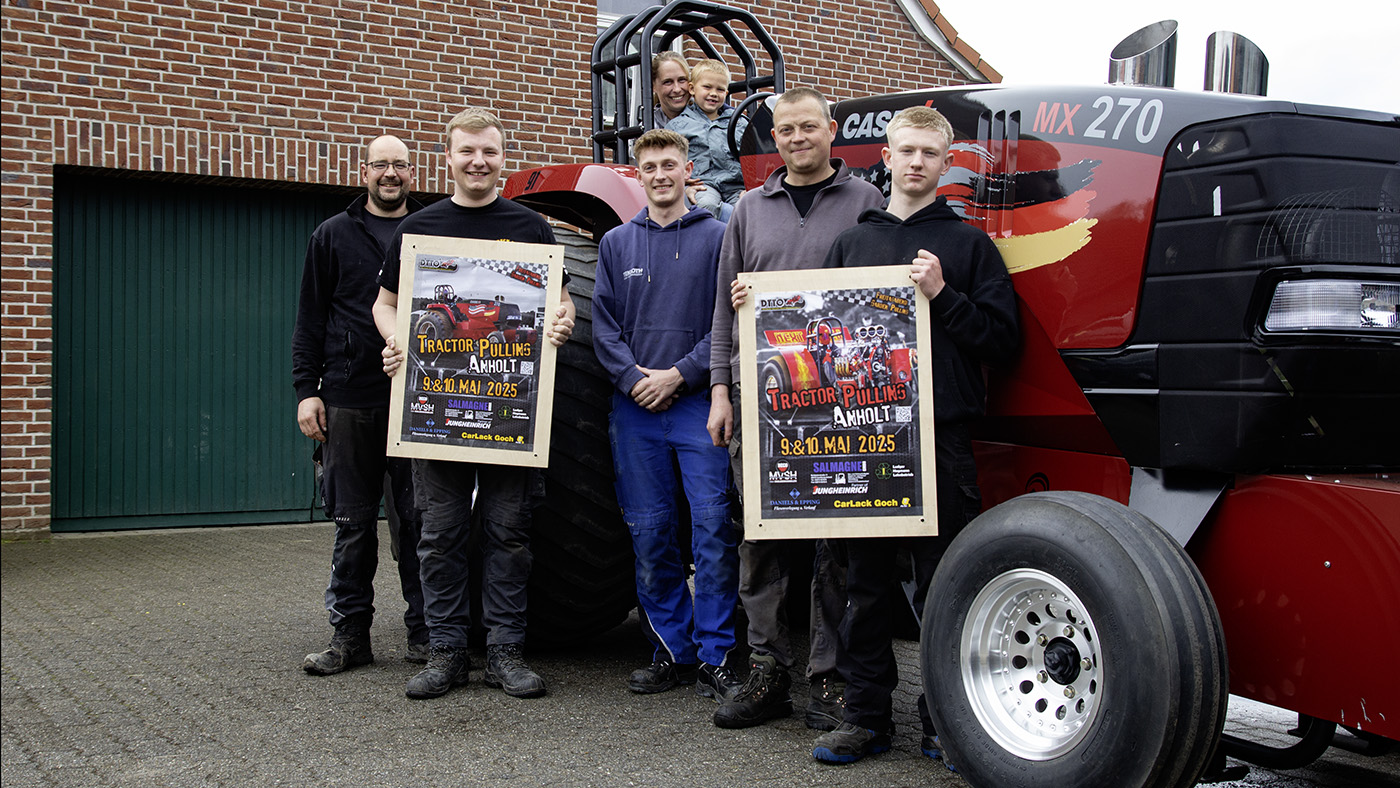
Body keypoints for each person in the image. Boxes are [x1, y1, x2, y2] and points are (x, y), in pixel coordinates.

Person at [810, 106, 1020, 764]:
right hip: (865, 439)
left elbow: (1003, 342)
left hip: (940, 438)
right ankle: (867, 719)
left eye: (931, 152)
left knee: (946, 589)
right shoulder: (851, 243)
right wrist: (758, 309)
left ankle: (948, 722)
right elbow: (817, 338)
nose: (918, 162)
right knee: (865, 588)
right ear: (889, 156)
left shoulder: (968, 246)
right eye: (907, 150)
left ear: (944, 160)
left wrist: (942, 294)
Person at [372, 108, 576, 701]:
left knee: (509, 530)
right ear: (450, 157)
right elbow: (386, 304)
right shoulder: (419, 228)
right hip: (437, 409)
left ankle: (506, 651)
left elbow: (559, 303)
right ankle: (446, 652)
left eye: (488, 152)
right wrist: (398, 339)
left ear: (502, 157)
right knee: (438, 534)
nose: (478, 162)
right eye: (467, 152)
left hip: (509, 404)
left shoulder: (533, 229)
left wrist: (560, 322)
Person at [706, 87, 884, 731]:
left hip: (842, 405)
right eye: (786, 129)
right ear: (773, 138)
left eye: (809, 126)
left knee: (837, 541)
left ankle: (829, 678)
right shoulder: (747, 210)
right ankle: (768, 671)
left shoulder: (868, 203)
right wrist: (721, 391)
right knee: (762, 539)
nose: (797, 137)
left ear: (830, 131)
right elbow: (724, 310)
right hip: (760, 403)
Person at [592, 129, 744, 702]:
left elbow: (725, 326)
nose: (660, 175)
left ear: (688, 172)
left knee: (711, 529)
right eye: (650, 166)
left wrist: (679, 375)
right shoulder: (614, 244)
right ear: (639, 174)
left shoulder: (718, 239)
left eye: (670, 165)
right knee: (651, 530)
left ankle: (716, 654)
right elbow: (603, 327)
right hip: (634, 410)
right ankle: (669, 649)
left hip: (698, 405)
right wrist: (635, 380)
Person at [293, 134, 429, 676]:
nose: (390, 174)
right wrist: (307, 391)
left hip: (422, 399)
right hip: (349, 398)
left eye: (399, 165)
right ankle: (350, 636)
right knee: (352, 523)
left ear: (411, 172)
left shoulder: (431, 228)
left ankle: (426, 636)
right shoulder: (332, 235)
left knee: (422, 521)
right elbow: (310, 319)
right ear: (363, 171)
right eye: (381, 165)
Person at [666, 59, 748, 222]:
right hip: (704, 183)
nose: (713, 93)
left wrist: (752, 188)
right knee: (705, 206)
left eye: (720, 89)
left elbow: (751, 158)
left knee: (750, 208)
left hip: (735, 185)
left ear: (726, 93)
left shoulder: (739, 123)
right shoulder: (678, 126)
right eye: (707, 87)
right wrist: (683, 181)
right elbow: (669, 159)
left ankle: (741, 247)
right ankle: (710, 245)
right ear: (692, 88)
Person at [650, 51, 691, 128]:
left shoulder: (706, 120)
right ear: (653, 86)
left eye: (682, 80)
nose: (677, 89)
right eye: (668, 82)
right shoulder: (648, 127)